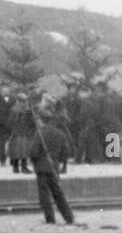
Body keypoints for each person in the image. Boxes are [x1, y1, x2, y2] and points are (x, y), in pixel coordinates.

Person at [31, 96, 76, 226]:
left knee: (44, 195)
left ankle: (50, 218)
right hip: (54, 167)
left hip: (41, 168)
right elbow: (66, 151)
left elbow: (33, 151)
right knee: (58, 193)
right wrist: (59, 161)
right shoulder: (59, 133)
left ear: (41, 120)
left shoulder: (39, 133)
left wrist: (35, 162)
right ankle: (69, 217)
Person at [8, 93, 35, 174]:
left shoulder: (25, 110)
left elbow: (32, 122)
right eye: (22, 101)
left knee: (21, 151)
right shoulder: (18, 110)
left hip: (21, 133)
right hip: (20, 133)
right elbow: (10, 122)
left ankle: (18, 167)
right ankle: (19, 167)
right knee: (21, 151)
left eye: (24, 101)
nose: (24, 103)